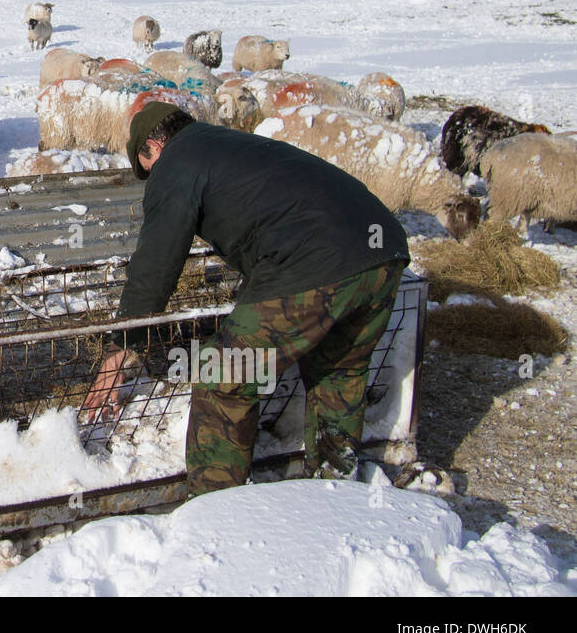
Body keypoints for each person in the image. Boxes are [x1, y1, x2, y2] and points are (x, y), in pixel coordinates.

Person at [82, 101, 410, 496]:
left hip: (314, 265)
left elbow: (154, 267)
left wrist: (119, 351)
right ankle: (337, 490)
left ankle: (217, 510)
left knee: (225, 377)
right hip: (383, 252)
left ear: (153, 147)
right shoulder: (227, 144)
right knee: (338, 374)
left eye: (146, 167)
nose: (151, 179)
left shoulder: (176, 163)